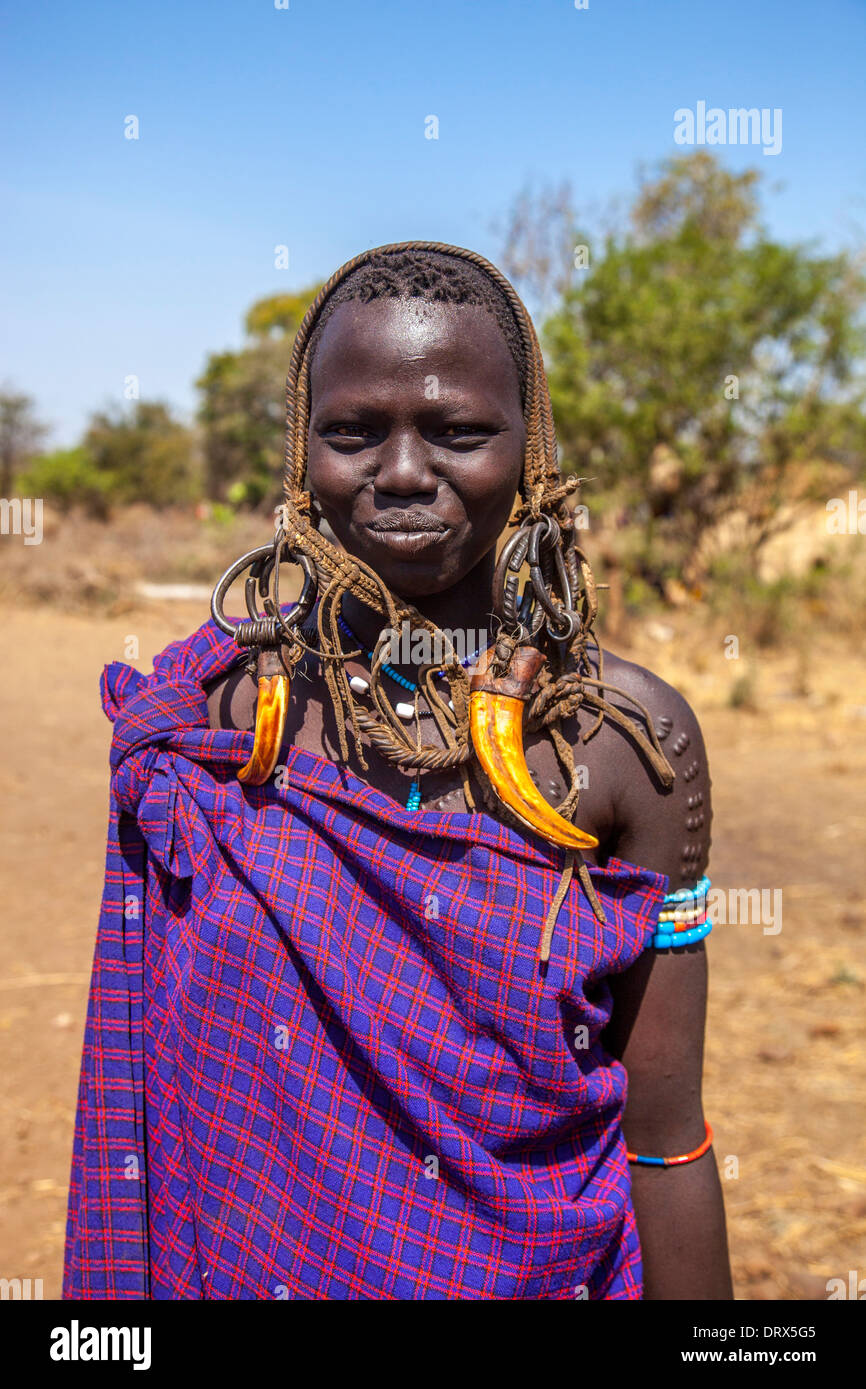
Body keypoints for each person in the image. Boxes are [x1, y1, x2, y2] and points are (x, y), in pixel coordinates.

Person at [64, 242, 732, 1300]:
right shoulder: (218, 721)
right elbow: (163, 1103)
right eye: (353, 432)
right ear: (301, 449)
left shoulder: (620, 743)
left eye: (458, 431)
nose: (406, 471)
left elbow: (664, 1136)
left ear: (531, 448)